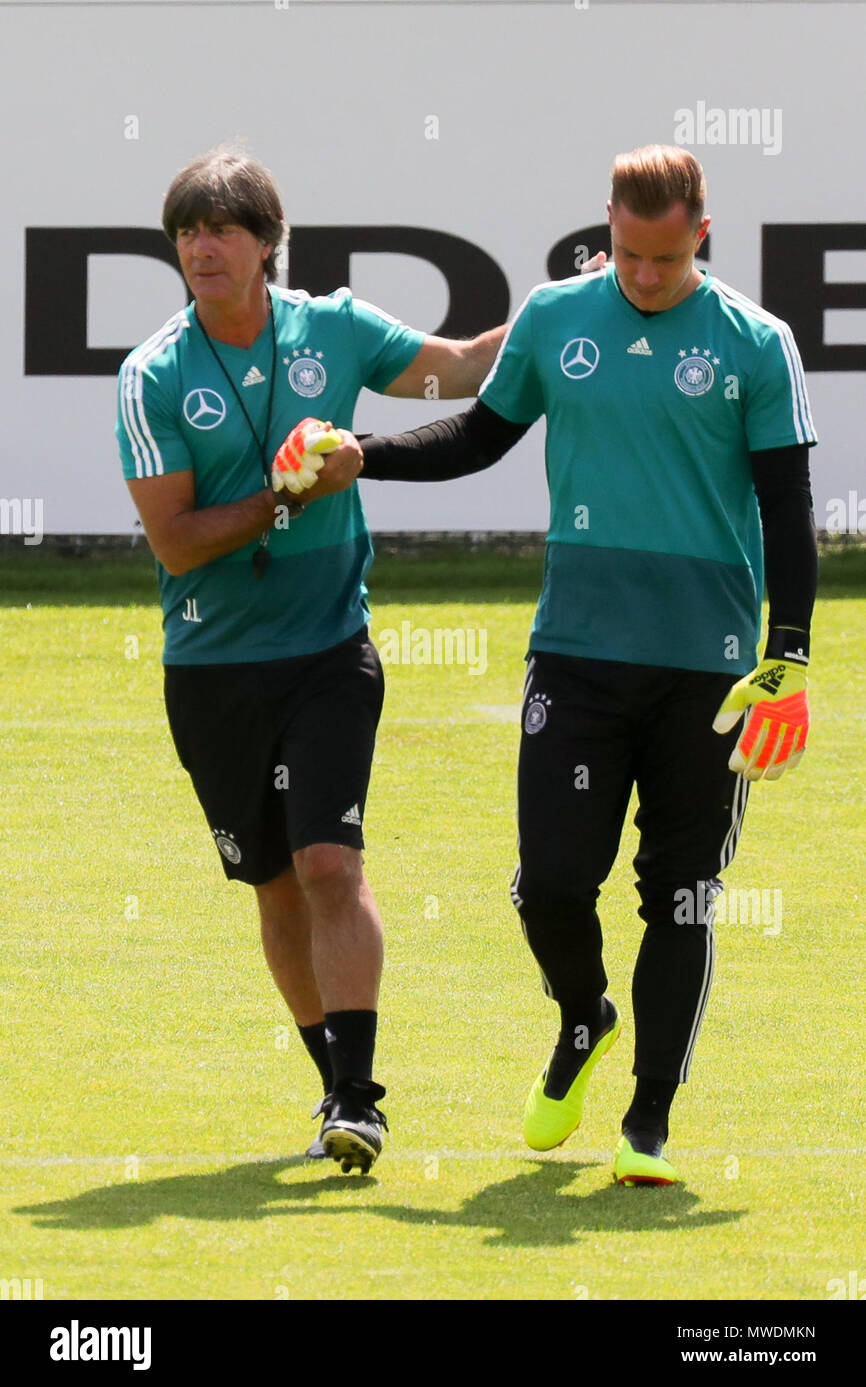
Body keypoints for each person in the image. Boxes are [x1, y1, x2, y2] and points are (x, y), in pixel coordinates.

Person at [360, 145, 818, 1185]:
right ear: (605, 225)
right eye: (626, 254)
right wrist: (366, 454)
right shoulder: (555, 317)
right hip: (575, 654)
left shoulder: (757, 343)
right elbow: (480, 436)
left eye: (662, 259)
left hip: (704, 674)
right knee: (550, 886)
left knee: (682, 893)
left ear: (699, 233)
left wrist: (786, 653)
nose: (643, 278)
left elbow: (787, 509)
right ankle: (582, 1017)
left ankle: (646, 1121)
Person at [117, 143, 505, 1174]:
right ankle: (327, 1075)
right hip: (212, 669)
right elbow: (179, 540)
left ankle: (356, 1096)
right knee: (275, 887)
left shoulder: (331, 328)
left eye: (223, 228)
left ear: (265, 244)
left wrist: (566, 307)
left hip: (330, 648)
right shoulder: (153, 374)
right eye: (188, 231)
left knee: (331, 863)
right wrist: (292, 493)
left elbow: (457, 366)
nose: (202, 246)